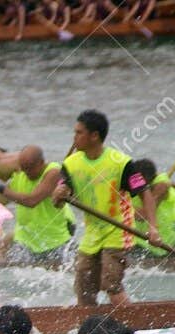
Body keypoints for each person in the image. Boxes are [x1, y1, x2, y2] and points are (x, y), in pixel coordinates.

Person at [55, 109, 159, 306]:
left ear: (94, 136)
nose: (74, 137)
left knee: (110, 284)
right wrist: (58, 194)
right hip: (92, 234)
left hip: (118, 231)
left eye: (79, 133)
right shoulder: (70, 163)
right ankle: (88, 330)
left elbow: (145, 193)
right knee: (83, 289)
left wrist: (153, 228)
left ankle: (134, 327)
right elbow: (58, 199)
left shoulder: (121, 163)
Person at [0, 128, 73, 265]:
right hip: (26, 240)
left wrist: (1, 188)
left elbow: (32, 200)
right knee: (0, 259)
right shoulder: (19, 170)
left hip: (54, 241)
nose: (26, 172)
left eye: (30, 168)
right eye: (23, 168)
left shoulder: (53, 172)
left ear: (41, 162)